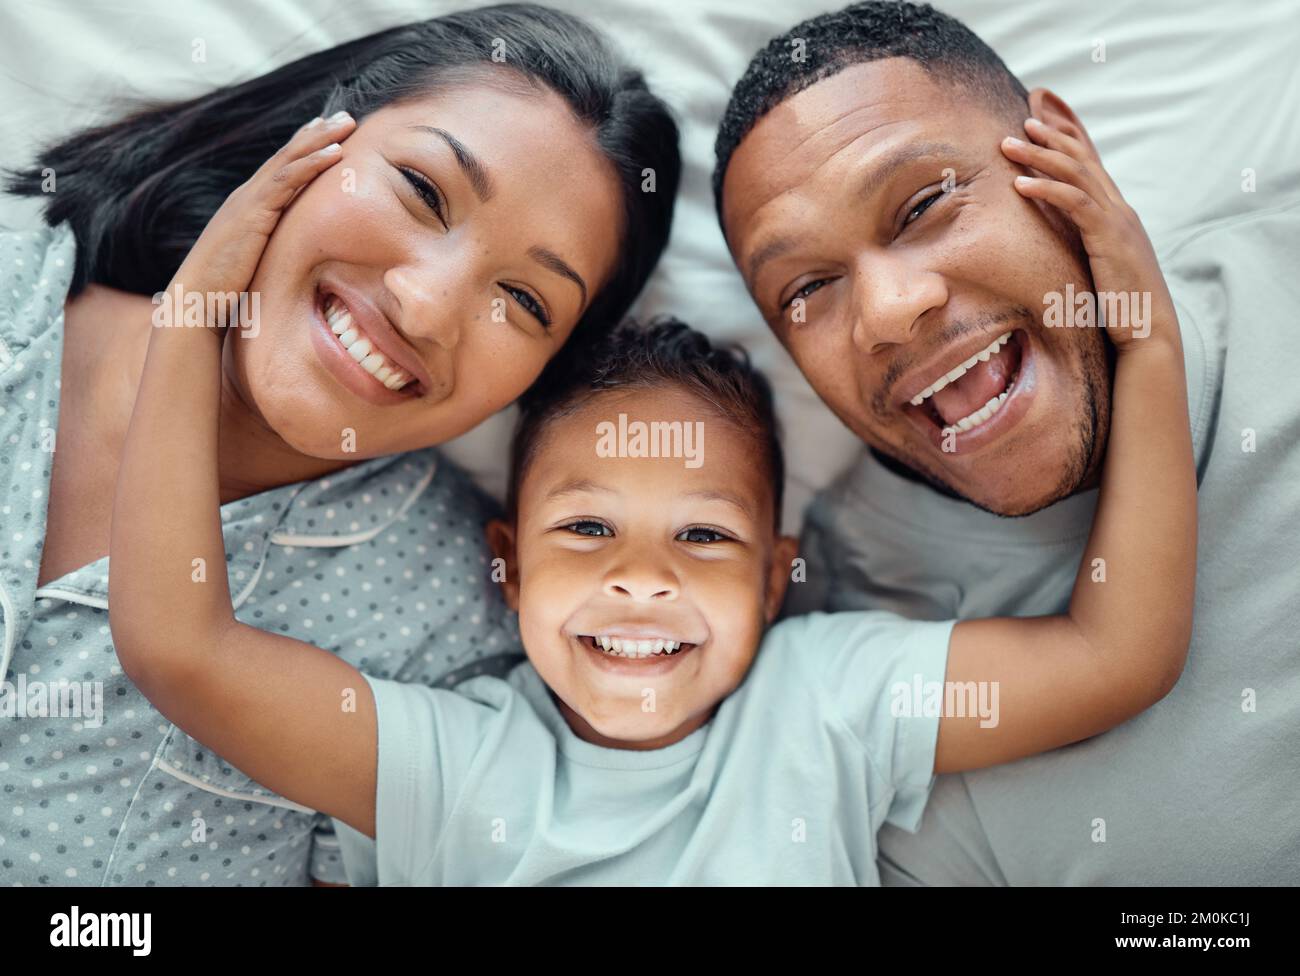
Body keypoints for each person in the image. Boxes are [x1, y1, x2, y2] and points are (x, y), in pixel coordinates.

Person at [103, 108, 1193, 883]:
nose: (641, 577)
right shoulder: (445, 763)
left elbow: (1116, 656)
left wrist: (1144, 342)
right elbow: (178, 649)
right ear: (510, 564)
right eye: (584, 528)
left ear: (776, 577)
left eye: (705, 536)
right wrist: (189, 322)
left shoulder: (828, 707)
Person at [0, 3, 679, 885]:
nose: (426, 305)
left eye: (525, 301)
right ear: (308, 146)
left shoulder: (453, 643)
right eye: (424, 191)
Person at [713, 0, 1300, 882]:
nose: (887, 311)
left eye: (921, 206)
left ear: (1060, 147)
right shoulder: (867, 679)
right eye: (808, 288)